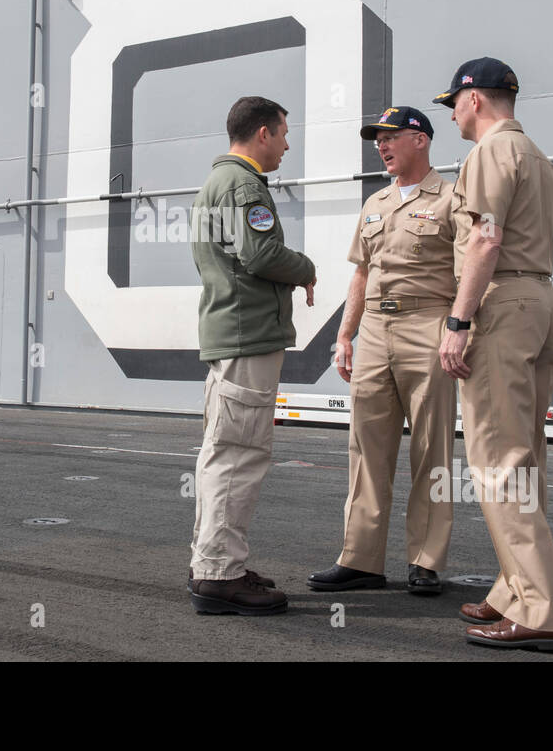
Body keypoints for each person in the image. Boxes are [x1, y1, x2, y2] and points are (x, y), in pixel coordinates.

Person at [434, 57, 553, 651]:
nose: (453, 116)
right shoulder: (538, 157)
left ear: (475, 101)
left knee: (497, 461)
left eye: (454, 105)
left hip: (502, 304)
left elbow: (485, 238)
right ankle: (513, 591)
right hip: (539, 300)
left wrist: (458, 320)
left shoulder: (488, 153)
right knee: (525, 454)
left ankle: (540, 610)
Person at [308, 107, 457, 595]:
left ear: (420, 139)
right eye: (377, 139)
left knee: (430, 448)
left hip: (428, 325)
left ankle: (425, 560)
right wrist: (345, 335)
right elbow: (361, 273)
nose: (381, 145)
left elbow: (469, 272)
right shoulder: (375, 202)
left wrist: (460, 330)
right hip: (374, 328)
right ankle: (361, 560)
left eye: (390, 137)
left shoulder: (453, 198)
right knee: (365, 447)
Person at [188, 95, 316, 615]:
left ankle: (217, 562)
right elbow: (260, 253)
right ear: (262, 133)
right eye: (284, 133)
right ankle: (219, 574)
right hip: (248, 336)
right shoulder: (243, 185)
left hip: (233, 335)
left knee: (224, 452)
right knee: (239, 455)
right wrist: (306, 267)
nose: (287, 144)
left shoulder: (216, 184)